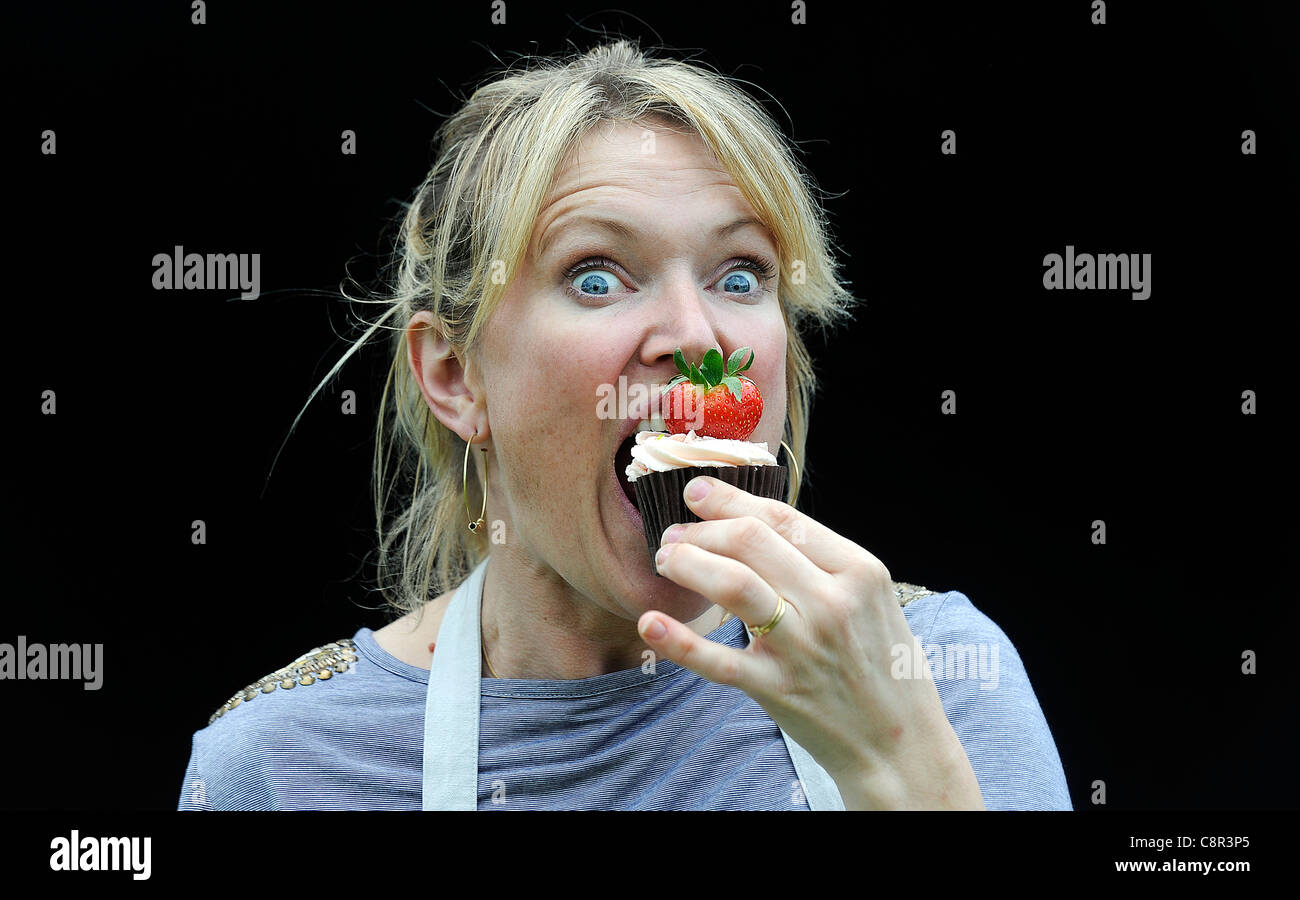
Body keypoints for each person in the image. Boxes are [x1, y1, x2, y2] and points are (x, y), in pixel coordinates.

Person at [178, 39, 1071, 811]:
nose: (696, 336)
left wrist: (899, 770)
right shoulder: (278, 765)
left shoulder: (935, 674)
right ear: (454, 376)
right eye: (597, 276)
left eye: (740, 275)